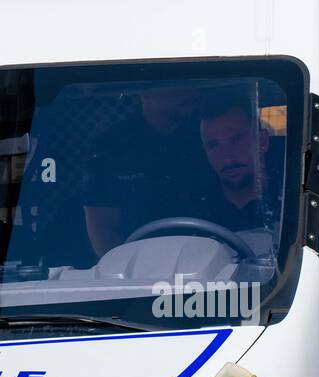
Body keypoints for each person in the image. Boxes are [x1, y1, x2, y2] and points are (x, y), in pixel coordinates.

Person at [82, 86, 213, 257]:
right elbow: (102, 230)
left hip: (218, 267)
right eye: (176, 85)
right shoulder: (110, 148)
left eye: (191, 84)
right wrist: (127, 277)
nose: (192, 91)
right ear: (144, 90)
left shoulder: (215, 134)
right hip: (139, 271)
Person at [196, 95, 283, 236]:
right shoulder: (195, 218)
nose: (227, 156)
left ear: (262, 141)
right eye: (214, 145)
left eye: (236, 139)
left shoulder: (294, 205)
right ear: (206, 153)